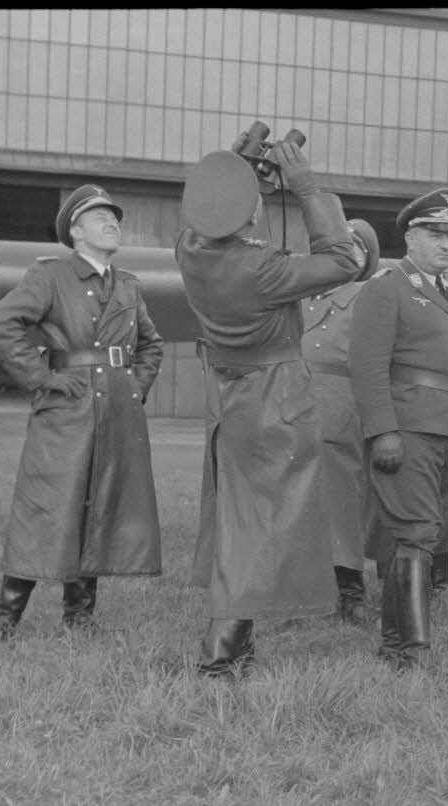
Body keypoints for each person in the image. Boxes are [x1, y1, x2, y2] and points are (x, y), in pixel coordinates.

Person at [176, 139, 361, 677]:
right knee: (264, 527)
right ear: (250, 209)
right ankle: (219, 653)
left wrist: (235, 164)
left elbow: (199, 221)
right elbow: (344, 259)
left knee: (243, 518)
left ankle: (241, 642)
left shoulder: (190, 254)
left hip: (232, 399)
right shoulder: (265, 269)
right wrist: (306, 186)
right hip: (277, 400)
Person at [0, 185, 165, 638]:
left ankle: (79, 620)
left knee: (97, 510)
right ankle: (6, 621)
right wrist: (42, 379)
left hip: (116, 416)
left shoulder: (128, 285)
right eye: (100, 217)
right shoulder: (50, 276)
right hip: (65, 413)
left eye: (115, 217)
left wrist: (134, 389)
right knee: (45, 508)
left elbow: (151, 345)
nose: (112, 223)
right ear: (76, 231)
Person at [350, 188, 448, 670]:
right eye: (435, 233)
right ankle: (413, 652)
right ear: (410, 236)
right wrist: (382, 431)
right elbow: (366, 367)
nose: (446, 244)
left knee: (426, 538)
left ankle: (394, 643)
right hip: (408, 432)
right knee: (414, 535)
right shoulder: (387, 288)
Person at [301, 218, 382, 626]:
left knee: (342, 501)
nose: (346, 253)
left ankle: (349, 589)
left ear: (367, 260)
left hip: (342, 409)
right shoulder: (303, 297)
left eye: (356, 247)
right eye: (337, 245)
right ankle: (301, 589)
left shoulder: (369, 297)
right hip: (294, 407)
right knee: (297, 501)